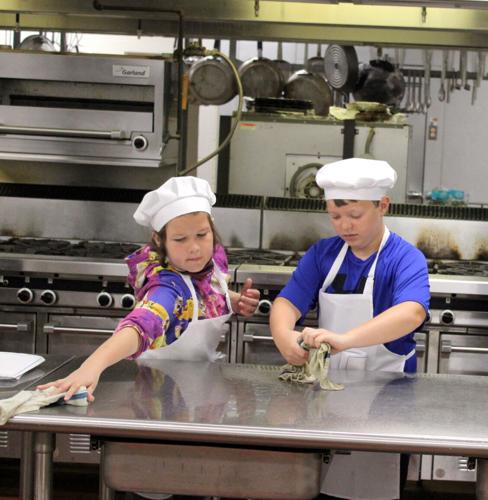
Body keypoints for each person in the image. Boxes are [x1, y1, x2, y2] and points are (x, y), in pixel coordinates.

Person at [270, 157, 429, 500]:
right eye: (335, 216)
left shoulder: (404, 258)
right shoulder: (323, 254)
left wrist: (345, 340)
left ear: (383, 205)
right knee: (321, 488)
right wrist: (284, 338)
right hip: (327, 396)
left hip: (386, 397)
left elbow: (411, 312)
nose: (344, 225)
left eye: (355, 215)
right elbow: (287, 303)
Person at [39, 176, 260, 402]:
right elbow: (142, 323)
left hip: (203, 388)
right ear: (159, 240)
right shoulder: (168, 288)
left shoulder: (210, 260)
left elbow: (203, 293)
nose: (194, 247)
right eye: (180, 239)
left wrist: (233, 300)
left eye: (202, 235)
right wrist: (92, 366)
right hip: (162, 396)